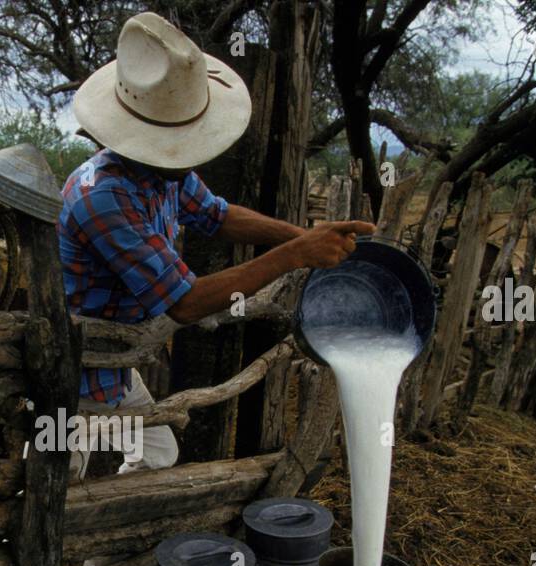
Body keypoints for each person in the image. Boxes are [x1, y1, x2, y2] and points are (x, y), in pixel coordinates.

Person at [60, 11, 375, 482]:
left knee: (157, 454)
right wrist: (295, 255)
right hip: (79, 368)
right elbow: (186, 303)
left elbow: (218, 215)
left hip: (115, 366)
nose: (186, 155)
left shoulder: (161, 172)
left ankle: (105, 550)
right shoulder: (103, 197)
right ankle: (45, 539)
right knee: (54, 479)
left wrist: (303, 236)